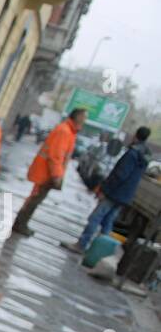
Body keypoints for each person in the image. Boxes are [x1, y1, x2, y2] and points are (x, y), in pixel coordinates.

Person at [62, 126, 153, 254]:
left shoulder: (132, 154)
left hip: (114, 193)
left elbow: (120, 175)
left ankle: (81, 245)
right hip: (125, 196)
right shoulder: (144, 157)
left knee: (95, 218)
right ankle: (101, 252)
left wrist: (105, 189)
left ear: (135, 136)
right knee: (107, 222)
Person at [9, 108, 87, 237]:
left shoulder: (68, 131)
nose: (85, 120)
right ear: (77, 117)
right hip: (46, 173)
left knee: (35, 198)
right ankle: (20, 224)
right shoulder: (65, 131)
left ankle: (22, 223)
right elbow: (55, 155)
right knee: (34, 198)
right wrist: (57, 175)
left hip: (47, 172)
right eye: (84, 117)